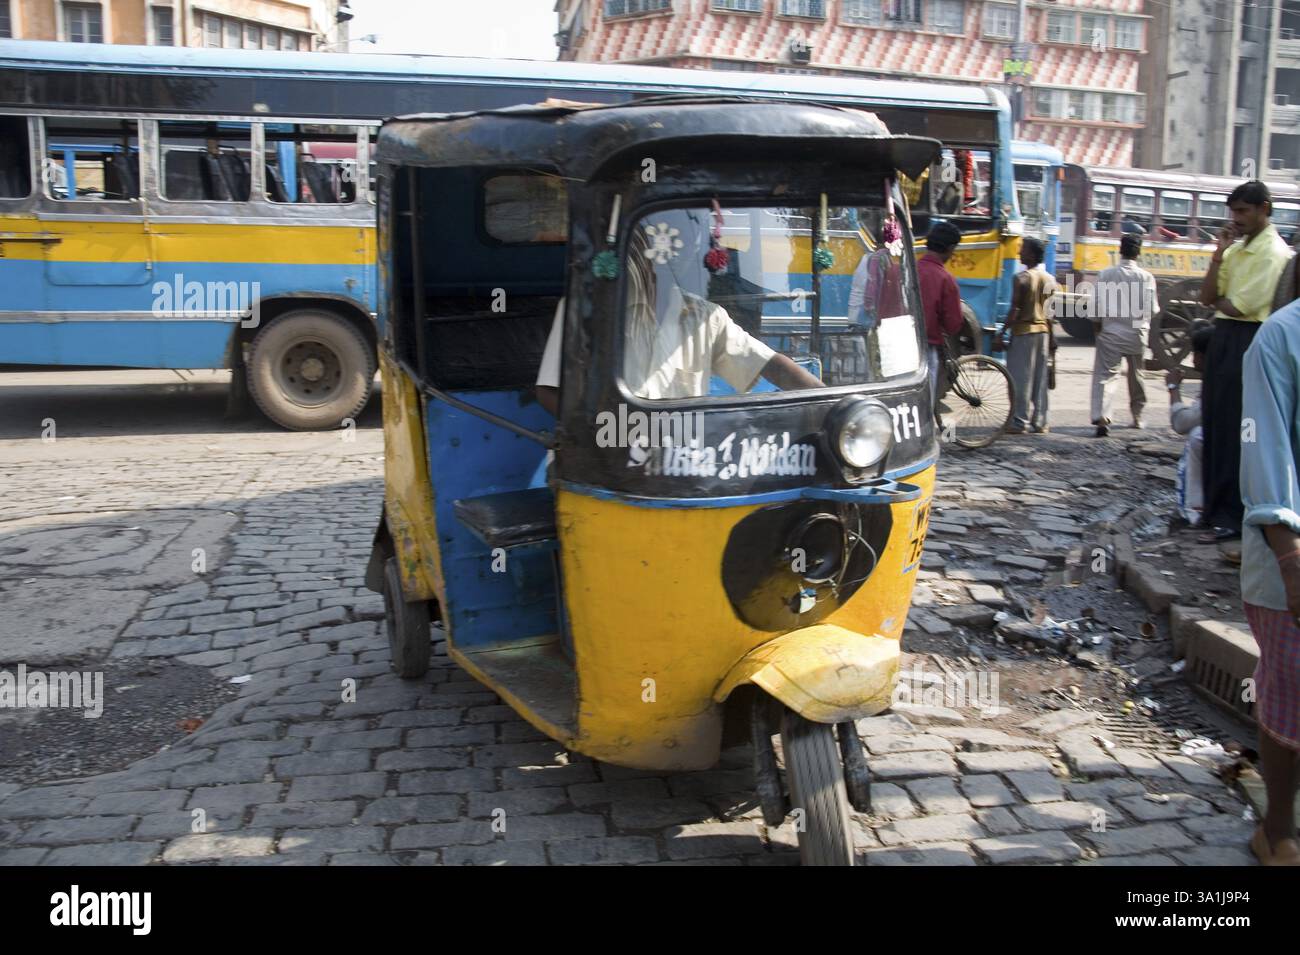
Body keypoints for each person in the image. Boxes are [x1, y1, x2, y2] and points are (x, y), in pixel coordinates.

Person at [536, 224, 822, 414]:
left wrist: (829, 399)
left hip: (680, 465)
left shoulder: (706, 318)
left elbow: (769, 363)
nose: (672, 258)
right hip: (606, 459)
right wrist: (597, 432)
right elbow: (548, 391)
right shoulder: (587, 309)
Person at [1238, 268, 1300, 866]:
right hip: (1290, 559)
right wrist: (1291, 556)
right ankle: (1277, 829)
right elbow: (1265, 450)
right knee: (1291, 693)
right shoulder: (1280, 338)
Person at [1197, 180, 1294, 543]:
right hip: (1226, 337)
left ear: (1264, 208)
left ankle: (1235, 515)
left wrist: (1220, 300)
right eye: (1233, 212)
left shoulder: (1273, 253)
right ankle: (1214, 509)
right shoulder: (1236, 250)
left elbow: (1238, 306)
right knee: (1216, 423)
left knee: (1240, 430)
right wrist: (1218, 255)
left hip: (1249, 339)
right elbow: (1209, 296)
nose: (1235, 219)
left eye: (1243, 211)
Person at [1090, 234, 1157, 436]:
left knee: (1106, 376)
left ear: (1120, 250)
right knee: (1137, 376)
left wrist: (1099, 331)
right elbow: (1149, 310)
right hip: (1136, 334)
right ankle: (1137, 417)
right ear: (1139, 252)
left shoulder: (1105, 274)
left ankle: (1103, 418)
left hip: (1110, 333)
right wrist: (1136, 327)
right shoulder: (1146, 277)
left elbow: (1095, 310)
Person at [999, 237, 1057, 434]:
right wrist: (1053, 339)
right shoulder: (1050, 279)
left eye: (1023, 249)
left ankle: (1019, 421)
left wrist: (1002, 331)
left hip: (1023, 333)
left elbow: (1014, 310)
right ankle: (1041, 421)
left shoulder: (1021, 278)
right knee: (1040, 379)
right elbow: (1050, 313)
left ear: (1031, 254)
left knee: (1019, 379)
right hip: (1043, 333)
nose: (1020, 252)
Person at [912, 220, 964, 402]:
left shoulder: (905, 270)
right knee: (925, 400)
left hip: (900, 345)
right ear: (950, 248)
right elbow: (953, 324)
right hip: (927, 347)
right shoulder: (945, 279)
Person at [1168, 327, 1212, 526]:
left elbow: (1182, 423)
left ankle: (1195, 508)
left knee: (1196, 436)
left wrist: (1173, 388)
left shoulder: (1216, 383)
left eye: (1194, 353)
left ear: (1201, 356)